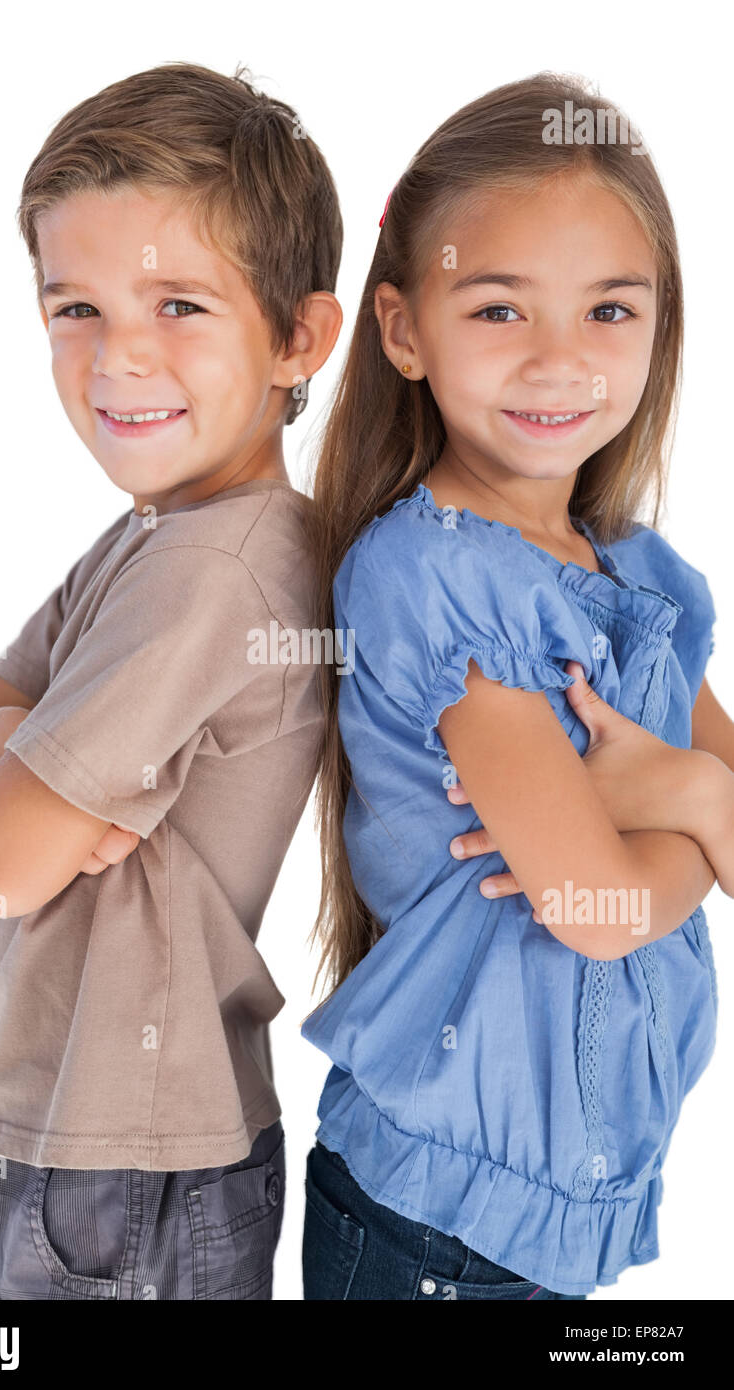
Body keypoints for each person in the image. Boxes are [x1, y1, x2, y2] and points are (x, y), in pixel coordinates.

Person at [0, 61, 342, 1301]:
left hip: (123, 1185)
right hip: (83, 1154)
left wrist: (2, 762)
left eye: (179, 305)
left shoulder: (211, 568)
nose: (118, 357)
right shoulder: (154, 532)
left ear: (297, 336)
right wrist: (4, 759)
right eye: (75, 307)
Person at [301, 71, 733, 1300]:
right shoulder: (432, 580)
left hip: (559, 1219)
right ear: (403, 329)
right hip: (429, 1229)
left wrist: (671, 805)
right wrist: (696, 799)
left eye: (608, 309)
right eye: (497, 311)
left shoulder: (638, 580)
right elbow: (592, 903)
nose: (559, 360)